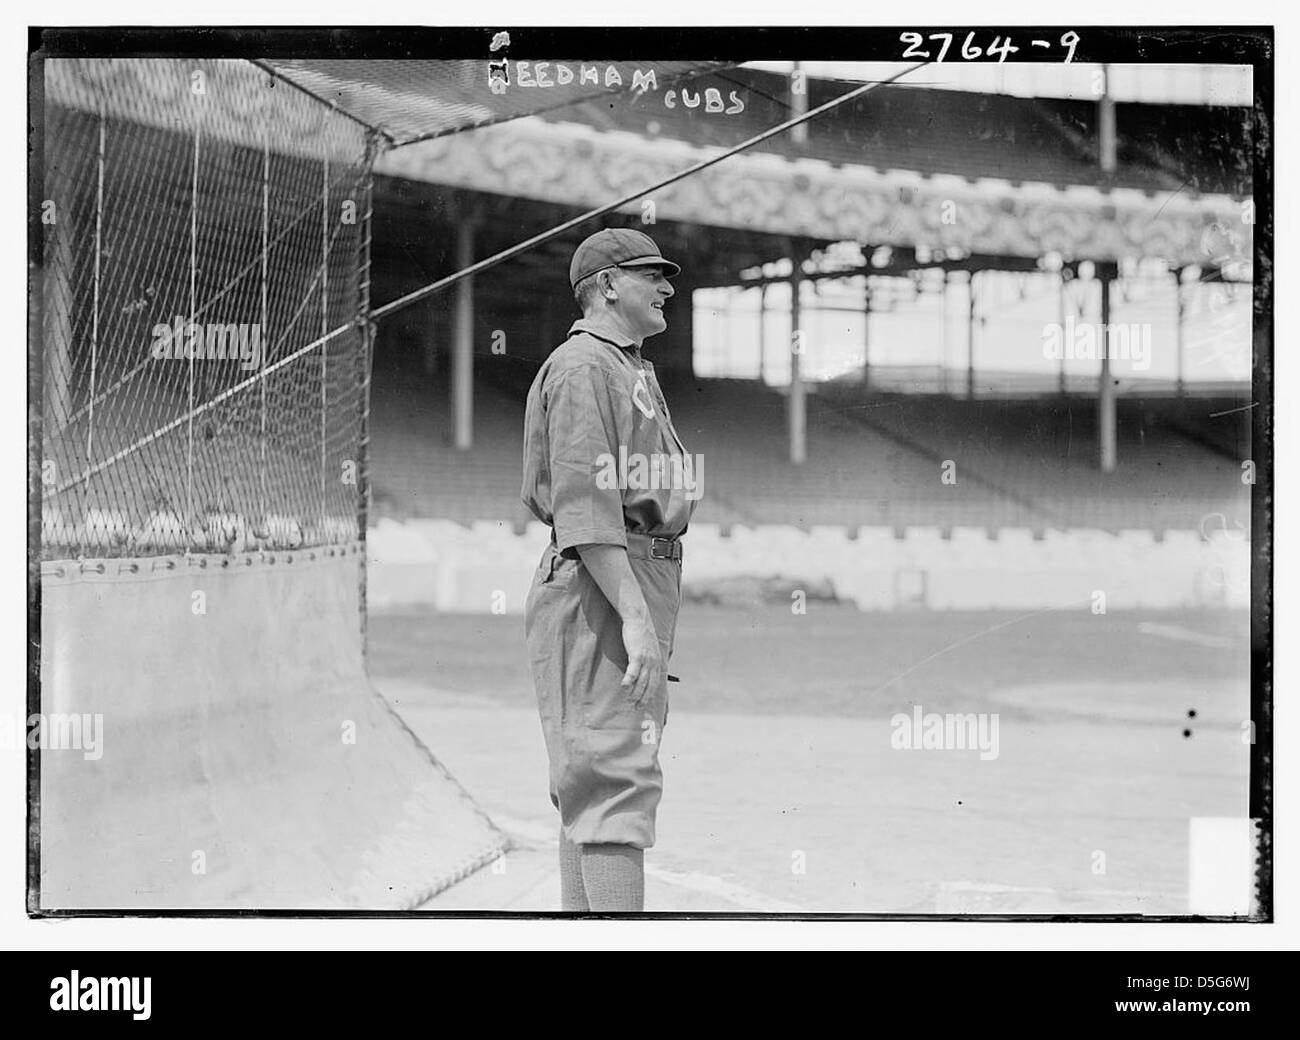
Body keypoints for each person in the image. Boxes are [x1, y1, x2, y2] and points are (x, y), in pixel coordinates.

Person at [521, 227, 702, 912]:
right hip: (603, 578)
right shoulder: (585, 367)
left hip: (629, 572)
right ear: (606, 286)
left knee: (595, 779)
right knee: (613, 779)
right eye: (651, 275)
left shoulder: (624, 367)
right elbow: (585, 511)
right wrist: (634, 621)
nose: (667, 288)